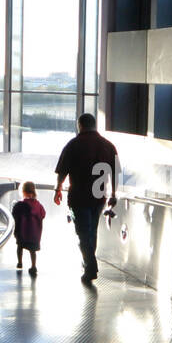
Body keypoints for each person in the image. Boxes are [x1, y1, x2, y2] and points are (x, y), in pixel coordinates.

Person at [53, 113, 118, 284]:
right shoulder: (108, 146)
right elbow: (115, 173)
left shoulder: (73, 145)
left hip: (79, 197)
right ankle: (88, 263)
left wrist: (58, 189)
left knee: (82, 233)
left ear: (80, 125)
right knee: (92, 232)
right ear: (94, 125)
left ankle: (90, 266)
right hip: (99, 197)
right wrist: (113, 194)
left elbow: (62, 171)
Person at [11, 181, 46, 277]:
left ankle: (20, 262)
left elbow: (15, 215)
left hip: (22, 232)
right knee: (32, 251)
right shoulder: (38, 205)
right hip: (34, 233)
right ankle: (33, 266)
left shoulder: (21, 204)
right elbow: (43, 214)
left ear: (23, 191)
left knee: (19, 246)